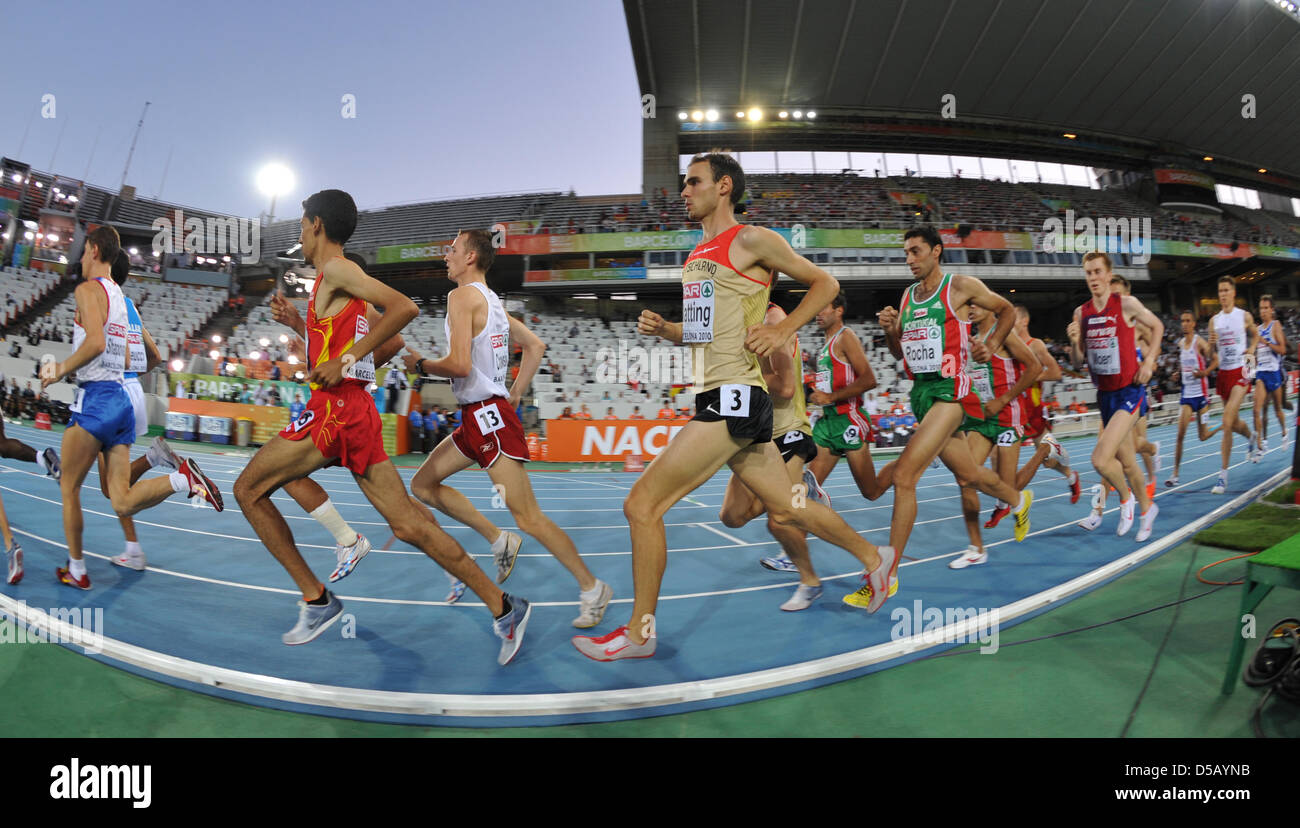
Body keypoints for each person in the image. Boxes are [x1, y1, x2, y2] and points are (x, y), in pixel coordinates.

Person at [574, 152, 891, 661]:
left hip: (736, 397)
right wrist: (668, 331)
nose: (683, 191)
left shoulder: (751, 239)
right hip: (721, 394)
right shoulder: (698, 256)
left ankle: (639, 633)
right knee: (789, 507)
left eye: (693, 181)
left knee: (642, 504)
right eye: (683, 183)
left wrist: (783, 328)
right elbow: (702, 332)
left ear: (724, 187)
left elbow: (825, 284)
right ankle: (876, 558)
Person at [234, 190, 531, 661]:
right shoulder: (333, 285)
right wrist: (300, 327)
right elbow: (386, 346)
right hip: (353, 413)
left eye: (300, 225)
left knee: (248, 489)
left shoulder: (336, 269)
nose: (298, 233)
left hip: (335, 414)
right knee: (410, 525)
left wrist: (348, 359)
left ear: (315, 225)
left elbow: (405, 310)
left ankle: (318, 599)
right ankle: (504, 607)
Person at [404, 229, 611, 628]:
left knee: (530, 518)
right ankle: (497, 539)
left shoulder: (461, 297)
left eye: (453, 249)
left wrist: (421, 364)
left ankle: (592, 587)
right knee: (423, 485)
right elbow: (535, 346)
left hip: (487, 417)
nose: (446, 255)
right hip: (479, 416)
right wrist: (514, 394)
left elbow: (460, 365)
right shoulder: (494, 303)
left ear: (471, 259)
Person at [39, 225, 222, 590]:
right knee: (119, 498)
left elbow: (95, 342)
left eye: (83, 249)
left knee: (70, 489)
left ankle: (77, 570)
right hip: (125, 399)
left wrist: (59, 369)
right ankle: (180, 479)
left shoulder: (89, 291)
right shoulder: (123, 302)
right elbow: (140, 354)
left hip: (98, 398)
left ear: (92, 249)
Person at [874, 226, 1033, 580]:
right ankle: (1019, 500)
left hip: (952, 393)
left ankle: (886, 574)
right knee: (970, 474)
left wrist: (990, 345)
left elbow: (1006, 310)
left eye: (915, 251)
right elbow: (901, 354)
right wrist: (890, 330)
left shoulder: (960, 286)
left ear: (936, 251)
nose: (909, 259)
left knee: (904, 476)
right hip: (922, 395)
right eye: (906, 253)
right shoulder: (907, 296)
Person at [1066, 251, 1161, 539]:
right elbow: (1077, 361)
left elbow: (1158, 326)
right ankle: (1147, 510)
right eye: (1088, 273)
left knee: (1100, 458)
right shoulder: (1081, 313)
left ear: (1108, 275)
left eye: (1098, 272)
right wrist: (1073, 343)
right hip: (1104, 395)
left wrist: (1148, 362)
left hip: (1129, 391)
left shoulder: (1127, 304)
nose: (1093, 278)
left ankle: (1125, 499)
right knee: (1128, 462)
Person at [950, 300, 1041, 569]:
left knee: (1006, 485)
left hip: (1007, 417)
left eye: (977, 303)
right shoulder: (969, 340)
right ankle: (976, 547)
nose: (972, 308)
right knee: (965, 478)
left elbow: (1034, 368)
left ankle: (1044, 452)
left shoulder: (1005, 336)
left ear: (991, 307)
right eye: (968, 304)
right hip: (981, 420)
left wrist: (1003, 400)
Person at [1206, 275, 1260, 493]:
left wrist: (1251, 350)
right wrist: (1210, 347)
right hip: (1224, 374)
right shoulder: (1214, 321)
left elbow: (1255, 336)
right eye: (1220, 291)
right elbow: (1211, 354)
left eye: (1226, 290)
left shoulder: (1243, 316)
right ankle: (1252, 436)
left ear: (1234, 293)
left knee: (1227, 420)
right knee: (1234, 422)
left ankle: (1222, 476)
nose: (1223, 294)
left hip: (1242, 369)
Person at [1164, 310, 1223, 486]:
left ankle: (1222, 425)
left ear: (1194, 324)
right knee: (1180, 435)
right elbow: (1185, 367)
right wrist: (1177, 375)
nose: (1184, 324)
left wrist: (1205, 372)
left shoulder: (1200, 342)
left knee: (1203, 436)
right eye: (1182, 321)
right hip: (1187, 395)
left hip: (1201, 394)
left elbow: (1216, 360)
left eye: (1188, 321)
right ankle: (1174, 474)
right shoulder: (1181, 344)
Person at [1252, 294, 1288, 450]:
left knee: (1277, 409)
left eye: (1266, 308)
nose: (1263, 311)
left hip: (1273, 372)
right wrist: (1247, 372)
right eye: (1261, 308)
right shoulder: (1257, 329)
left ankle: (1284, 432)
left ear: (1272, 310)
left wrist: (1266, 342)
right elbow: (1252, 352)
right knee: (1256, 409)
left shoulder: (1276, 325)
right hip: (1261, 373)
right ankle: (1260, 444)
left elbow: (1282, 349)